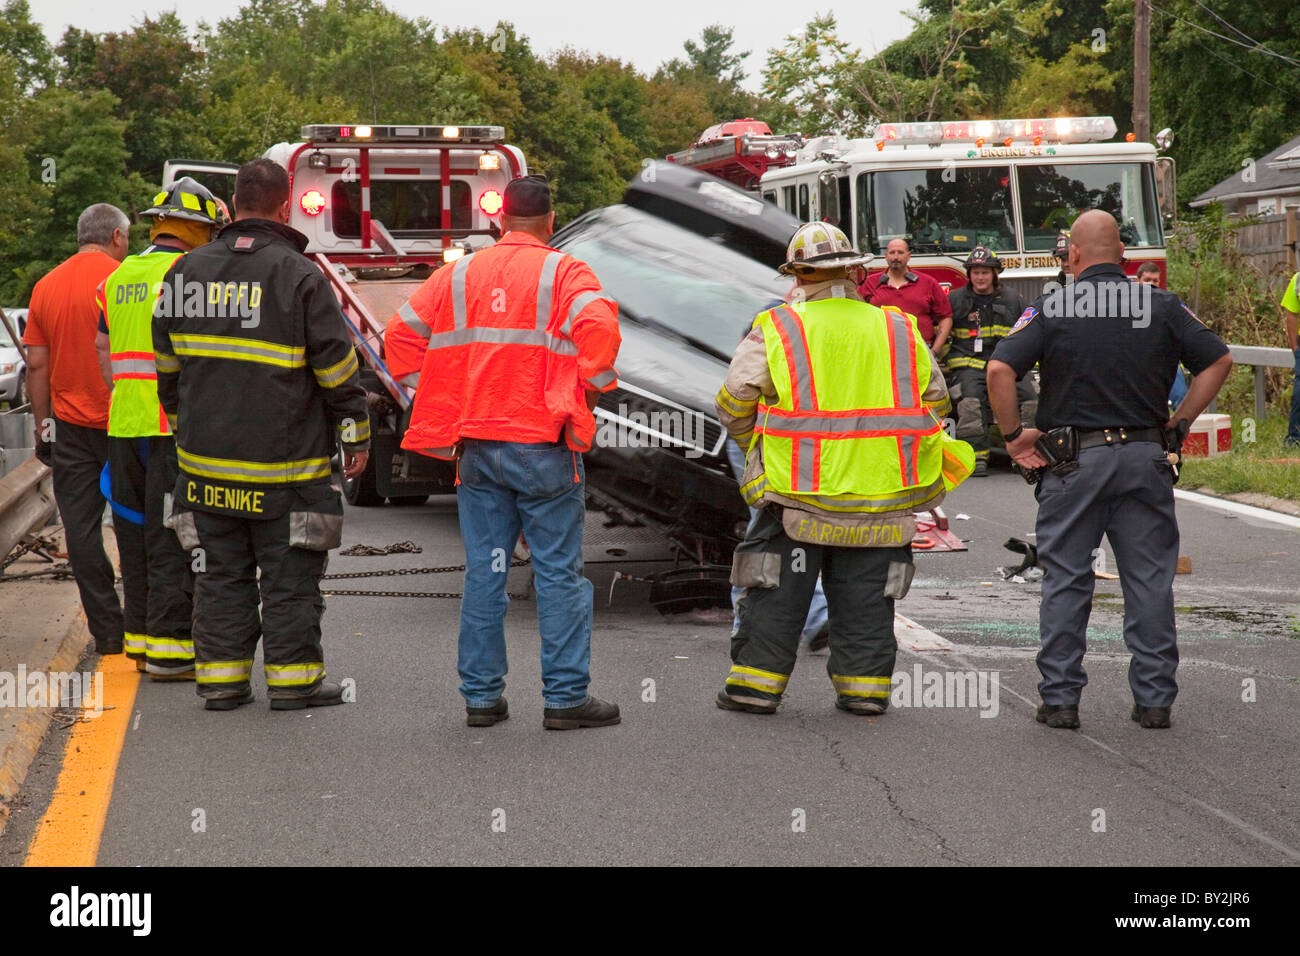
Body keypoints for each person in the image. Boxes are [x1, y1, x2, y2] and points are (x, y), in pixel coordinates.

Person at [383, 175, 622, 730]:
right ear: (551, 221)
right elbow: (600, 329)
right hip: (543, 448)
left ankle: (482, 699)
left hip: (478, 449)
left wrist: (443, 389)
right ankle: (565, 700)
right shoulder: (567, 272)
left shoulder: (458, 273)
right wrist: (585, 387)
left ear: (500, 221)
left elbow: (398, 338)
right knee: (558, 574)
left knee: (485, 572)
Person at [713, 222, 973, 717]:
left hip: (798, 494)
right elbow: (936, 402)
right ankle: (865, 692)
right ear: (856, 272)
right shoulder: (898, 329)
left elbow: (733, 402)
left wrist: (758, 448)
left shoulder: (779, 327)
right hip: (883, 499)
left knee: (775, 587)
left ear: (798, 276)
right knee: (868, 597)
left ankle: (754, 688)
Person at [987, 210, 1233, 731]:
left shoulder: (1052, 305)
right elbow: (1219, 360)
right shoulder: (1161, 304)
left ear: (1072, 255)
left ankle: (1060, 701)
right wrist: (1179, 422)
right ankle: (1155, 702)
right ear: (1123, 256)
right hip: (1147, 457)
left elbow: (999, 369)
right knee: (1148, 581)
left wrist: (1013, 438)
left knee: (1067, 580)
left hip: (1074, 463)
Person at [153, 158, 371, 711]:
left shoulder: (184, 273)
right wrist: (357, 435)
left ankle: (223, 683)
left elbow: (168, 372)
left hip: (205, 470)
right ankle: (293, 683)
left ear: (232, 204)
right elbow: (338, 372)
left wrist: (187, 435)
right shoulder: (299, 276)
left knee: (220, 576)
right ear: (283, 204)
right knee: (289, 577)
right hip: (286, 473)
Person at [94, 179, 222, 678]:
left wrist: (126, 397)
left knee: (134, 535)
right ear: (193, 228)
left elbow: (104, 352)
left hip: (124, 426)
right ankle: (172, 650)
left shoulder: (119, 275)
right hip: (171, 427)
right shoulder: (188, 273)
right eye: (208, 229)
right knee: (173, 535)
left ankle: (142, 641)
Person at [22, 203, 130, 656]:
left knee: (81, 531)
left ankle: (108, 632)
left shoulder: (46, 286)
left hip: (68, 428)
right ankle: (144, 626)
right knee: (135, 526)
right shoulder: (124, 284)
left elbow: (37, 365)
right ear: (117, 238)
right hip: (127, 425)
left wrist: (43, 428)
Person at [944, 246, 1025, 476]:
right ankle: (976, 457)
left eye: (985, 272)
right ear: (969, 274)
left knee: (1029, 399)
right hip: (969, 365)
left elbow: (1028, 332)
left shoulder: (1013, 299)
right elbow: (943, 331)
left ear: (994, 274)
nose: (980, 277)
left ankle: (1023, 454)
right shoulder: (956, 300)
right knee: (970, 400)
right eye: (975, 272)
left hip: (1008, 365)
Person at [857, 237, 953, 355]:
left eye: (900, 252)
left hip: (920, 352)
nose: (896, 257)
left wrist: (934, 352)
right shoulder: (870, 283)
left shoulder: (928, 283)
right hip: (882, 353)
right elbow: (857, 317)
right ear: (886, 256)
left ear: (908, 256)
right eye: (892, 253)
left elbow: (945, 318)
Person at [1281, 270, 1299, 448]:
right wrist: (1295, 346)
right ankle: (1294, 439)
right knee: (1299, 393)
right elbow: (1291, 315)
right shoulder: (1298, 280)